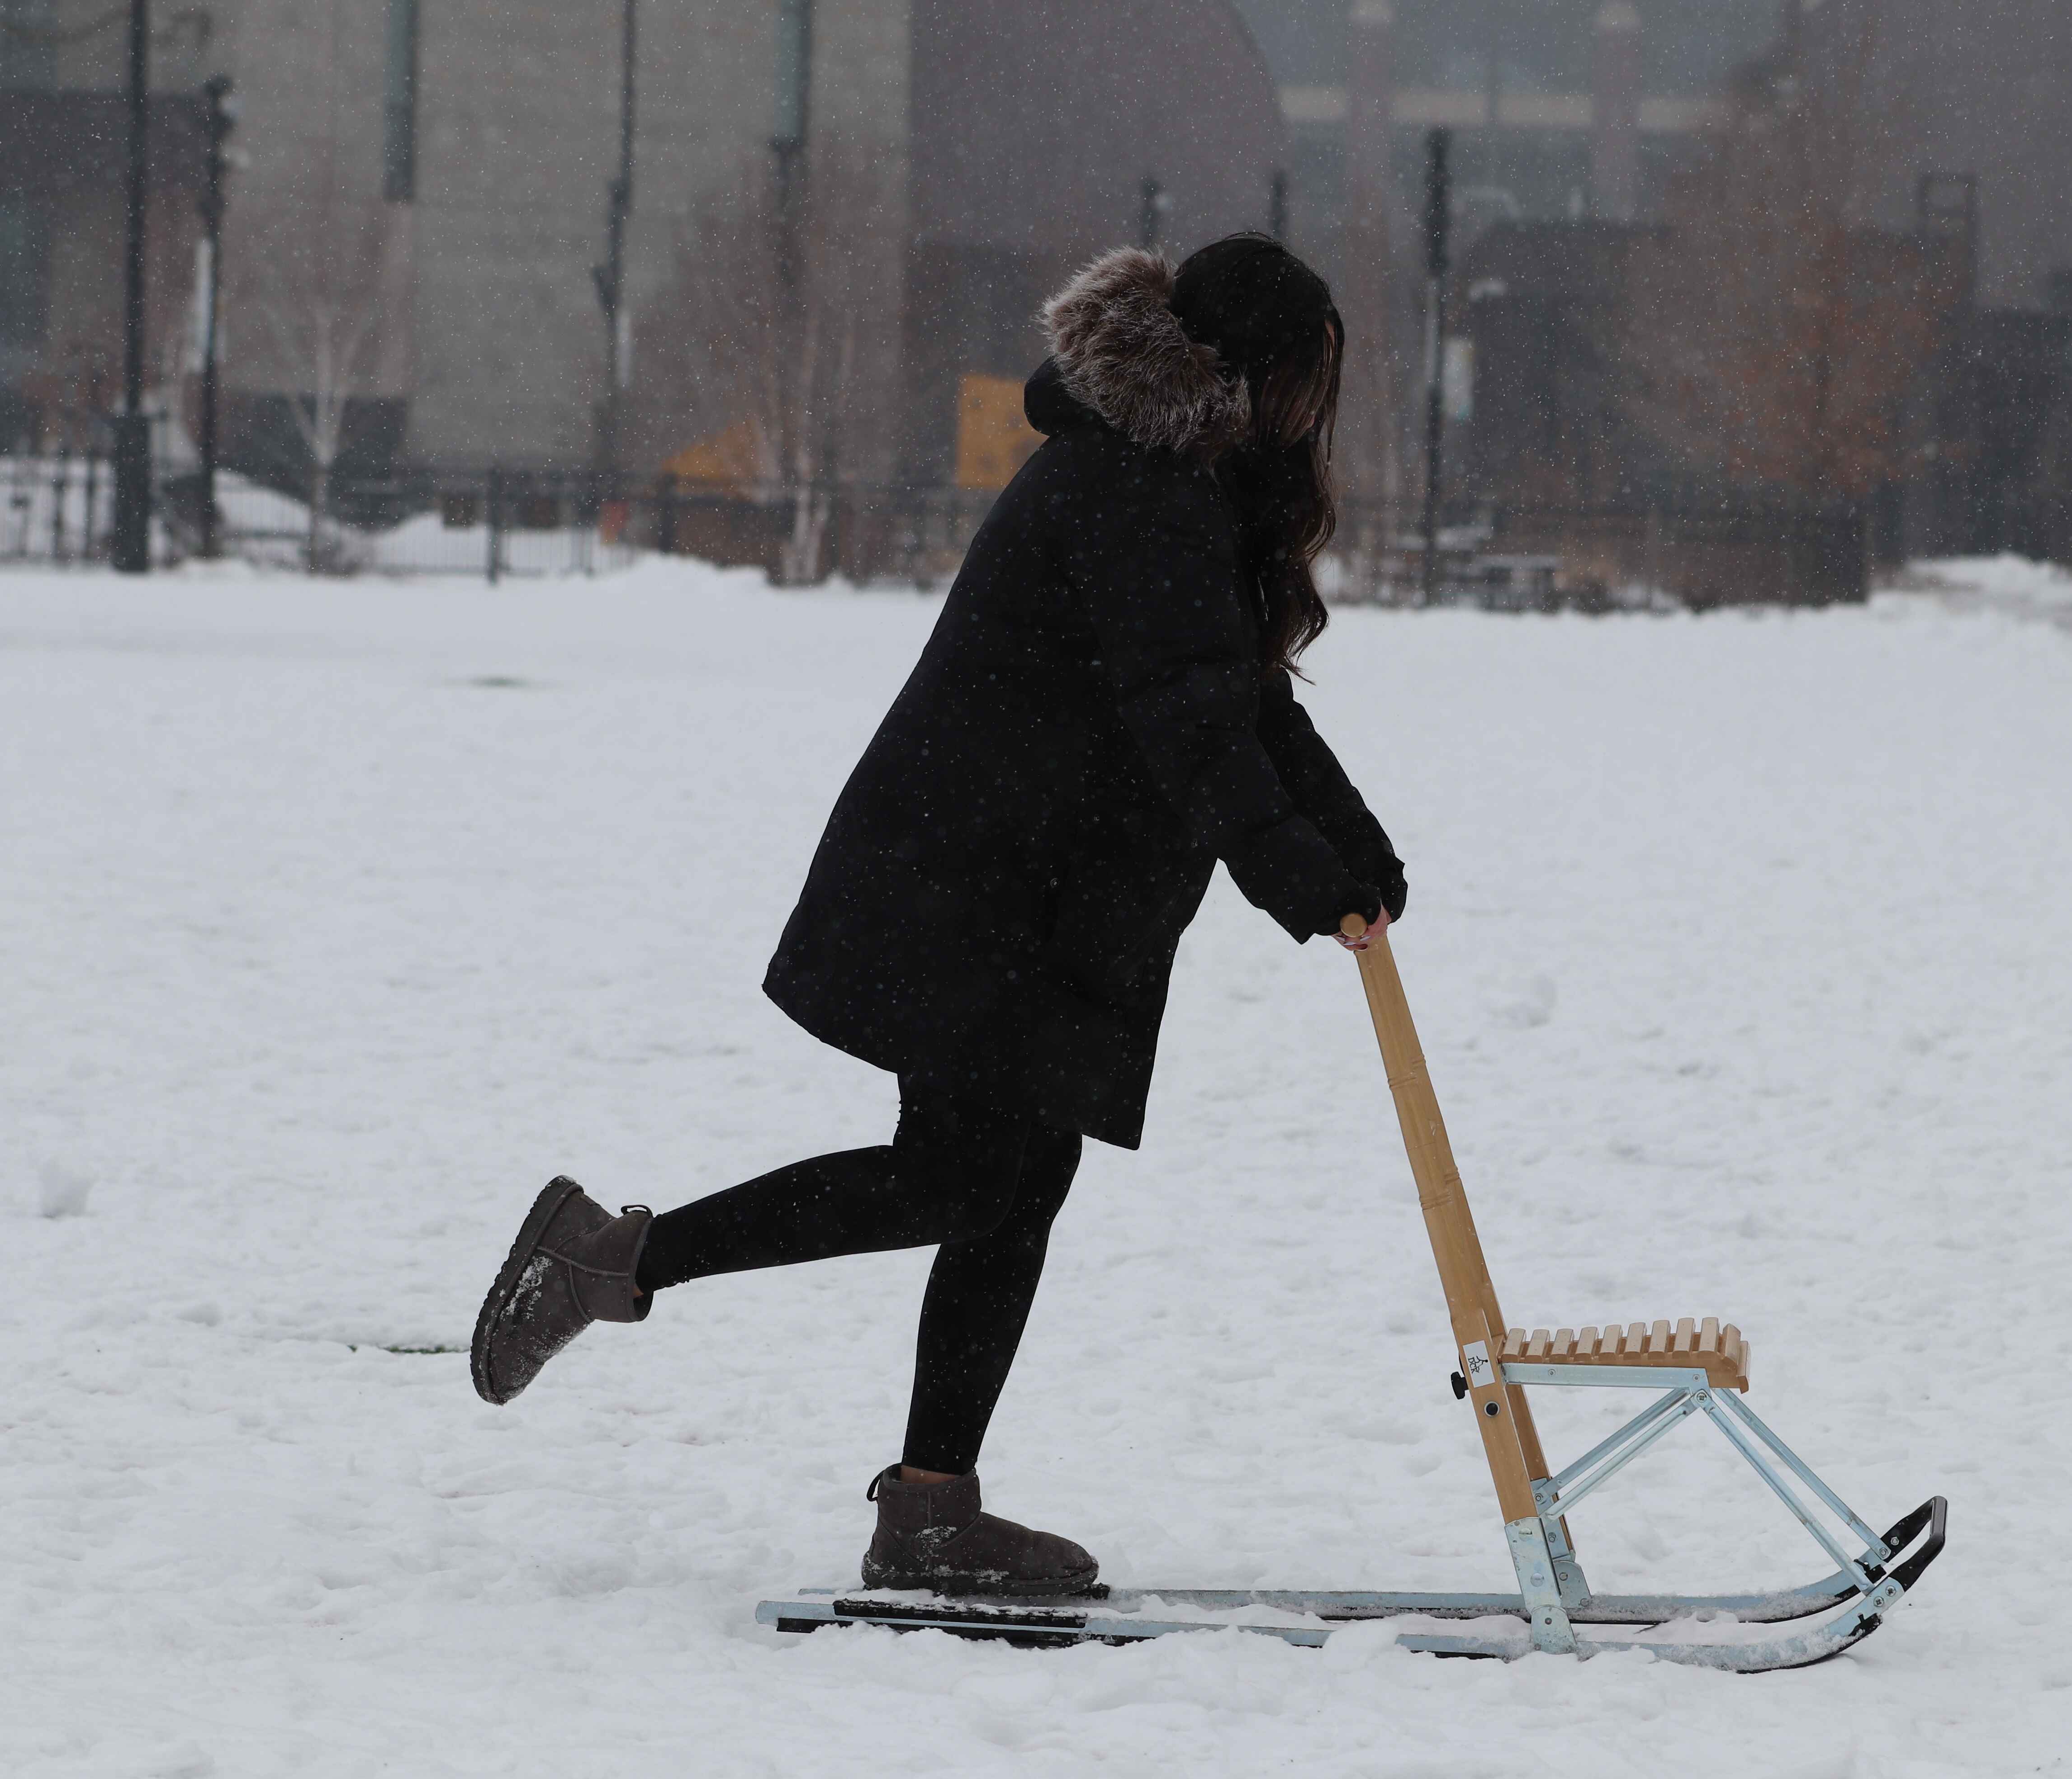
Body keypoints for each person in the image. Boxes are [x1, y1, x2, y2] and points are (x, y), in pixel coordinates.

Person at [468, 234, 1404, 1599]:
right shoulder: (1134, 488)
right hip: (974, 884)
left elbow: (1235, 692)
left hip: (1023, 886)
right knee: (973, 1178)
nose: (1311, 422)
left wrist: (1350, 846)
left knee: (1009, 1180)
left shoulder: (1169, 482)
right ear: (1250, 377)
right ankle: (613, 1263)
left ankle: (927, 1507)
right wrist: (1300, 880)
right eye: (1306, 389)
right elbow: (1187, 722)